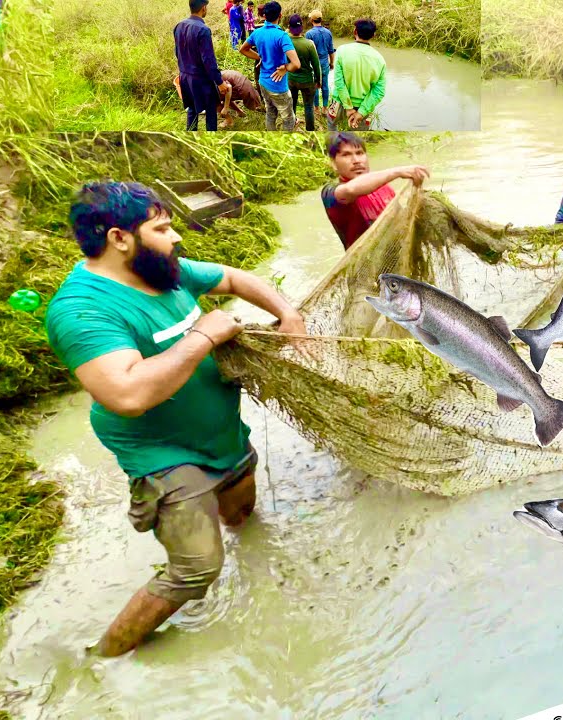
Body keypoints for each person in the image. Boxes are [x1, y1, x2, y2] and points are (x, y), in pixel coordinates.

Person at [44, 181, 310, 657]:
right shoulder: (81, 310)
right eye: (163, 228)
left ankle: (255, 561)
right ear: (119, 239)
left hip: (221, 433)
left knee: (243, 513)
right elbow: (125, 394)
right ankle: (103, 657)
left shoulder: (162, 269)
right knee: (197, 569)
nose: (176, 238)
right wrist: (205, 336)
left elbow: (231, 278)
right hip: (163, 452)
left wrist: (287, 312)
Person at [321, 132, 430, 250]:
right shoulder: (331, 193)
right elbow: (351, 189)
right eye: (346, 155)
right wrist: (397, 172)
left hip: (399, 257)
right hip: (367, 265)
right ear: (333, 163)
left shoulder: (383, 187)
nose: (356, 160)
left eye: (360, 153)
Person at [239, 1, 299, 131]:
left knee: (271, 113)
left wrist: (259, 56)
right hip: (278, 86)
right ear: (280, 15)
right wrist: (286, 68)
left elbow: (243, 49)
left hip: (263, 82)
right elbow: (296, 64)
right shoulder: (282, 36)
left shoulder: (257, 33)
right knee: (289, 119)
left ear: (264, 16)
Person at [174, 0, 228, 132]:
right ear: (203, 8)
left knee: (192, 109)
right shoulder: (203, 30)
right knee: (211, 110)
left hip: (185, 76)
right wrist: (219, 82)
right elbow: (208, 60)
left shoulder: (179, 26)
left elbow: (177, 52)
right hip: (201, 79)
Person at [328, 19, 386, 131]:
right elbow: (379, 91)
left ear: (355, 32)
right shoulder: (380, 59)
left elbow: (339, 82)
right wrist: (361, 112)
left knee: (332, 127)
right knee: (358, 138)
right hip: (364, 106)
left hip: (340, 103)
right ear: (373, 35)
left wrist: (348, 108)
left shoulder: (342, 51)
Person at [285, 14, 321, 132]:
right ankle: (310, 131)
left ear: (289, 27)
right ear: (302, 27)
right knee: (309, 107)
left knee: (292, 104)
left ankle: (292, 125)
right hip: (306, 81)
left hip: (291, 79)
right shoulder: (309, 44)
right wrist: (318, 80)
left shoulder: (286, 42)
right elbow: (316, 65)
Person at [304, 10, 336, 115]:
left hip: (313, 64)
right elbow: (331, 51)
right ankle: (325, 108)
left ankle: (316, 108)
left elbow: (307, 52)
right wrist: (332, 63)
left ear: (312, 20)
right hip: (324, 62)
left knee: (315, 86)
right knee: (325, 85)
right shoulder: (328, 32)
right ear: (321, 20)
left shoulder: (309, 34)